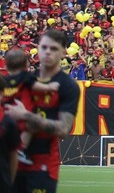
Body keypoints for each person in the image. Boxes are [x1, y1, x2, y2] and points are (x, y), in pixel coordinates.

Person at [2, 29, 80, 193]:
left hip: (43, 165)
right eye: (44, 47)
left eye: (53, 48)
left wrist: (25, 115)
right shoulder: (25, 78)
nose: (47, 52)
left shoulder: (67, 86)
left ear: (63, 52)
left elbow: (63, 129)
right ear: (37, 49)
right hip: (11, 161)